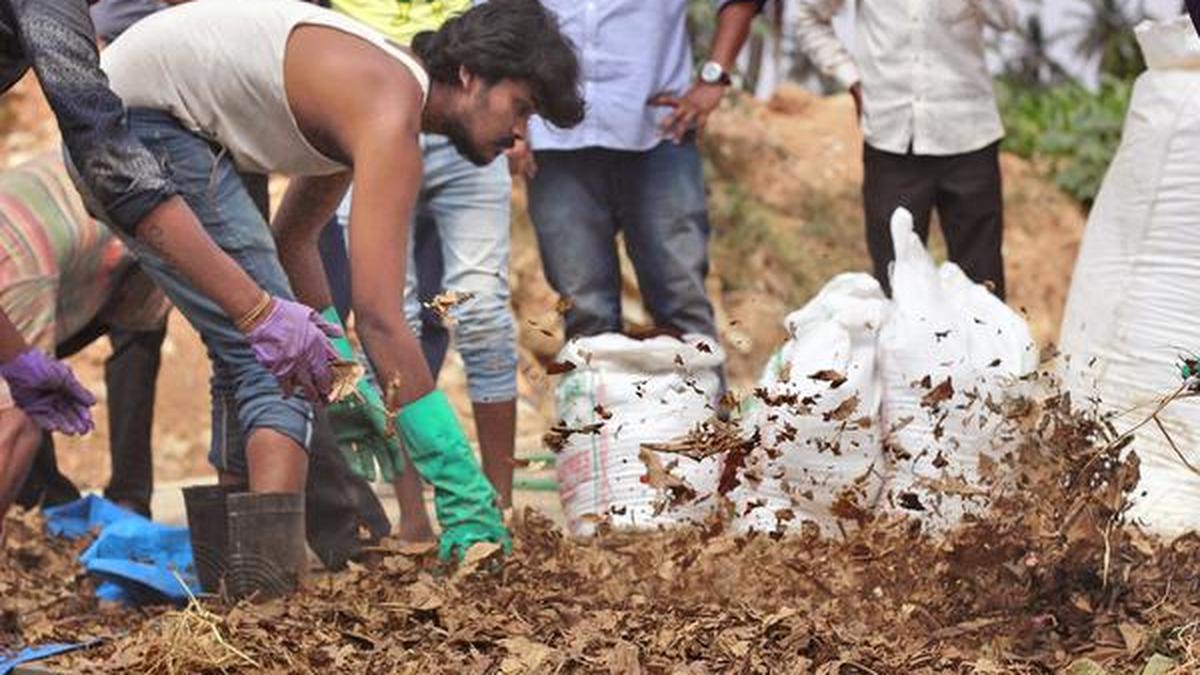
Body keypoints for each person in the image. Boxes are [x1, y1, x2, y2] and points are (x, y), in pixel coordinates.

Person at [97, 0, 584, 568]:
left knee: (260, 343)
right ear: (471, 75)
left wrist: (341, 377)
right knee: (268, 349)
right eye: (519, 107)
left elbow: (294, 241)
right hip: (133, 125)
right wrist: (458, 484)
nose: (520, 133)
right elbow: (380, 319)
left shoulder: (374, 86)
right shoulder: (391, 106)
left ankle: (231, 575)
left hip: (131, 120)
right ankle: (265, 596)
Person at [318, 0, 519, 543]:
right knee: (388, 314)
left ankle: (494, 514)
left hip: (472, 113)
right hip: (367, 114)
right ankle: (415, 516)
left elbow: (511, 26)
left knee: (483, 312)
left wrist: (517, 114)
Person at [522, 0, 761, 348]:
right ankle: (598, 402)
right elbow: (494, 13)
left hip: (658, 132)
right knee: (585, 312)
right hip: (554, 138)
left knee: (681, 304)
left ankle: (699, 402)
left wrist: (714, 76)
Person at [795, 0, 1017, 298]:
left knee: (982, 285)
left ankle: (985, 346)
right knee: (895, 285)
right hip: (891, 139)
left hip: (969, 134)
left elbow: (1007, 19)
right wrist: (851, 79)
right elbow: (808, 15)